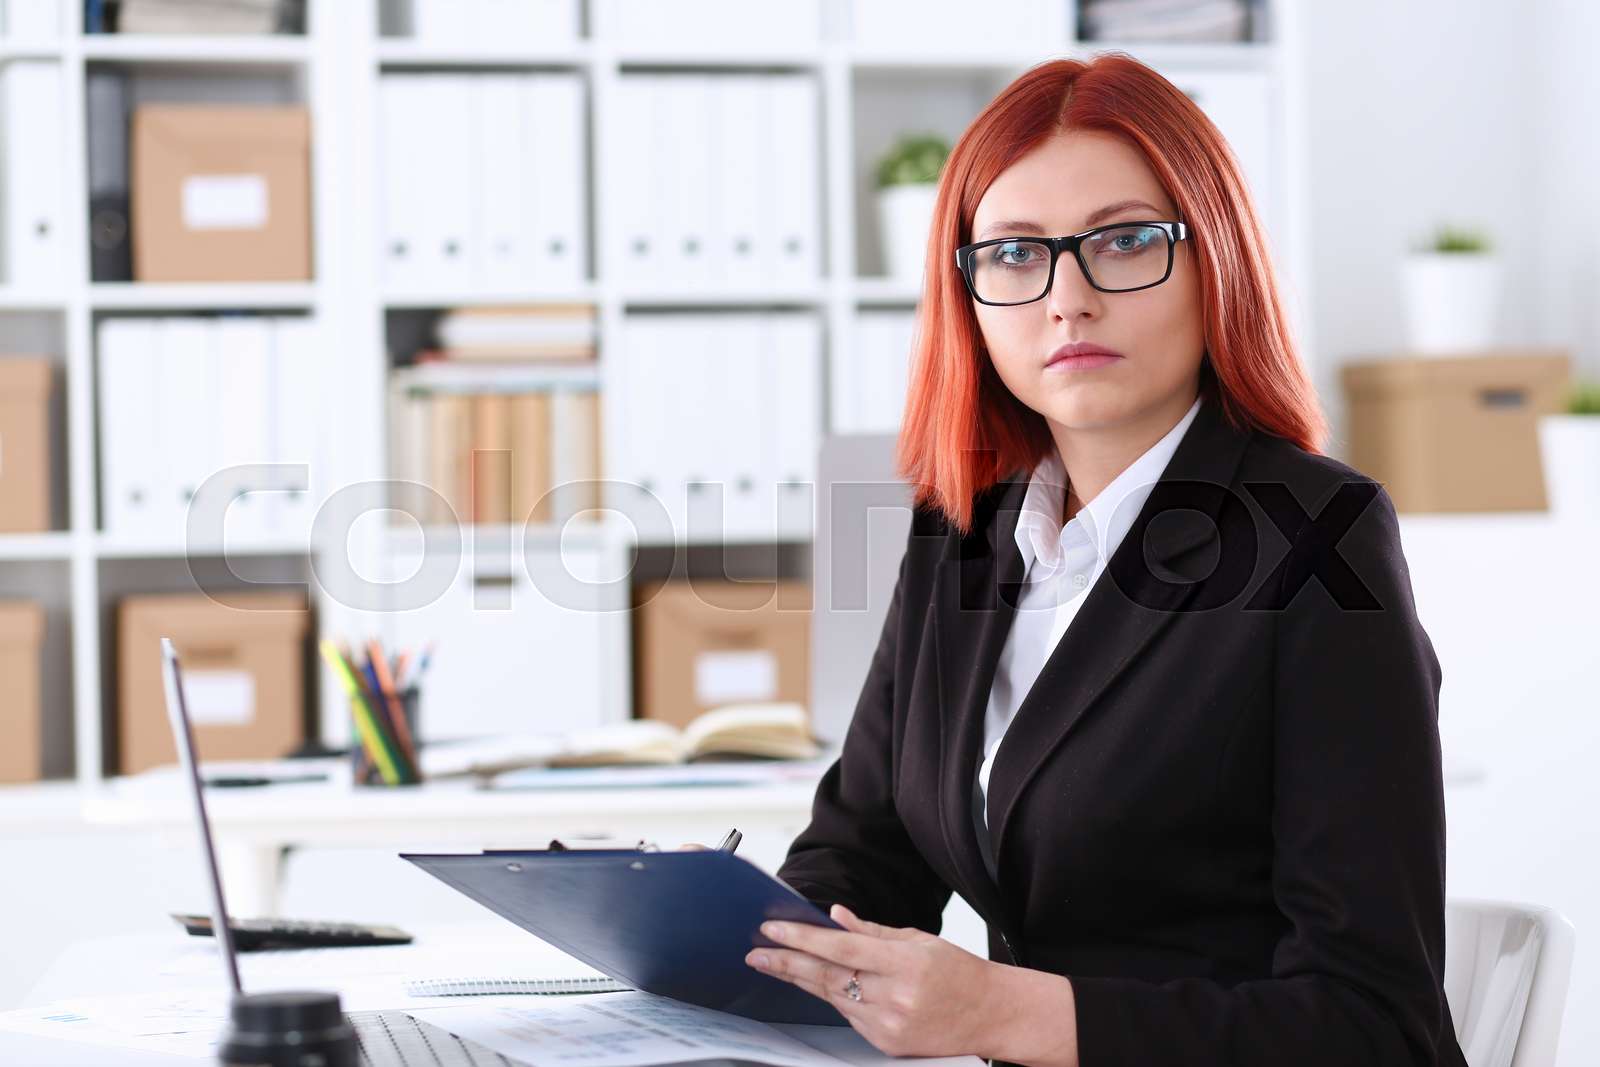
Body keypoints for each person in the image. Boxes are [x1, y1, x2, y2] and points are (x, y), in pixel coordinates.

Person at [726, 54, 1467, 1067]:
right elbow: (863, 852)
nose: (1064, 299)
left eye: (1123, 242)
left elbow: (1373, 1022)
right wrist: (699, 944)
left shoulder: (1317, 533)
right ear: (970, 293)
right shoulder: (966, 531)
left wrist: (998, 1012)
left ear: (1214, 258)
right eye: (1015, 254)